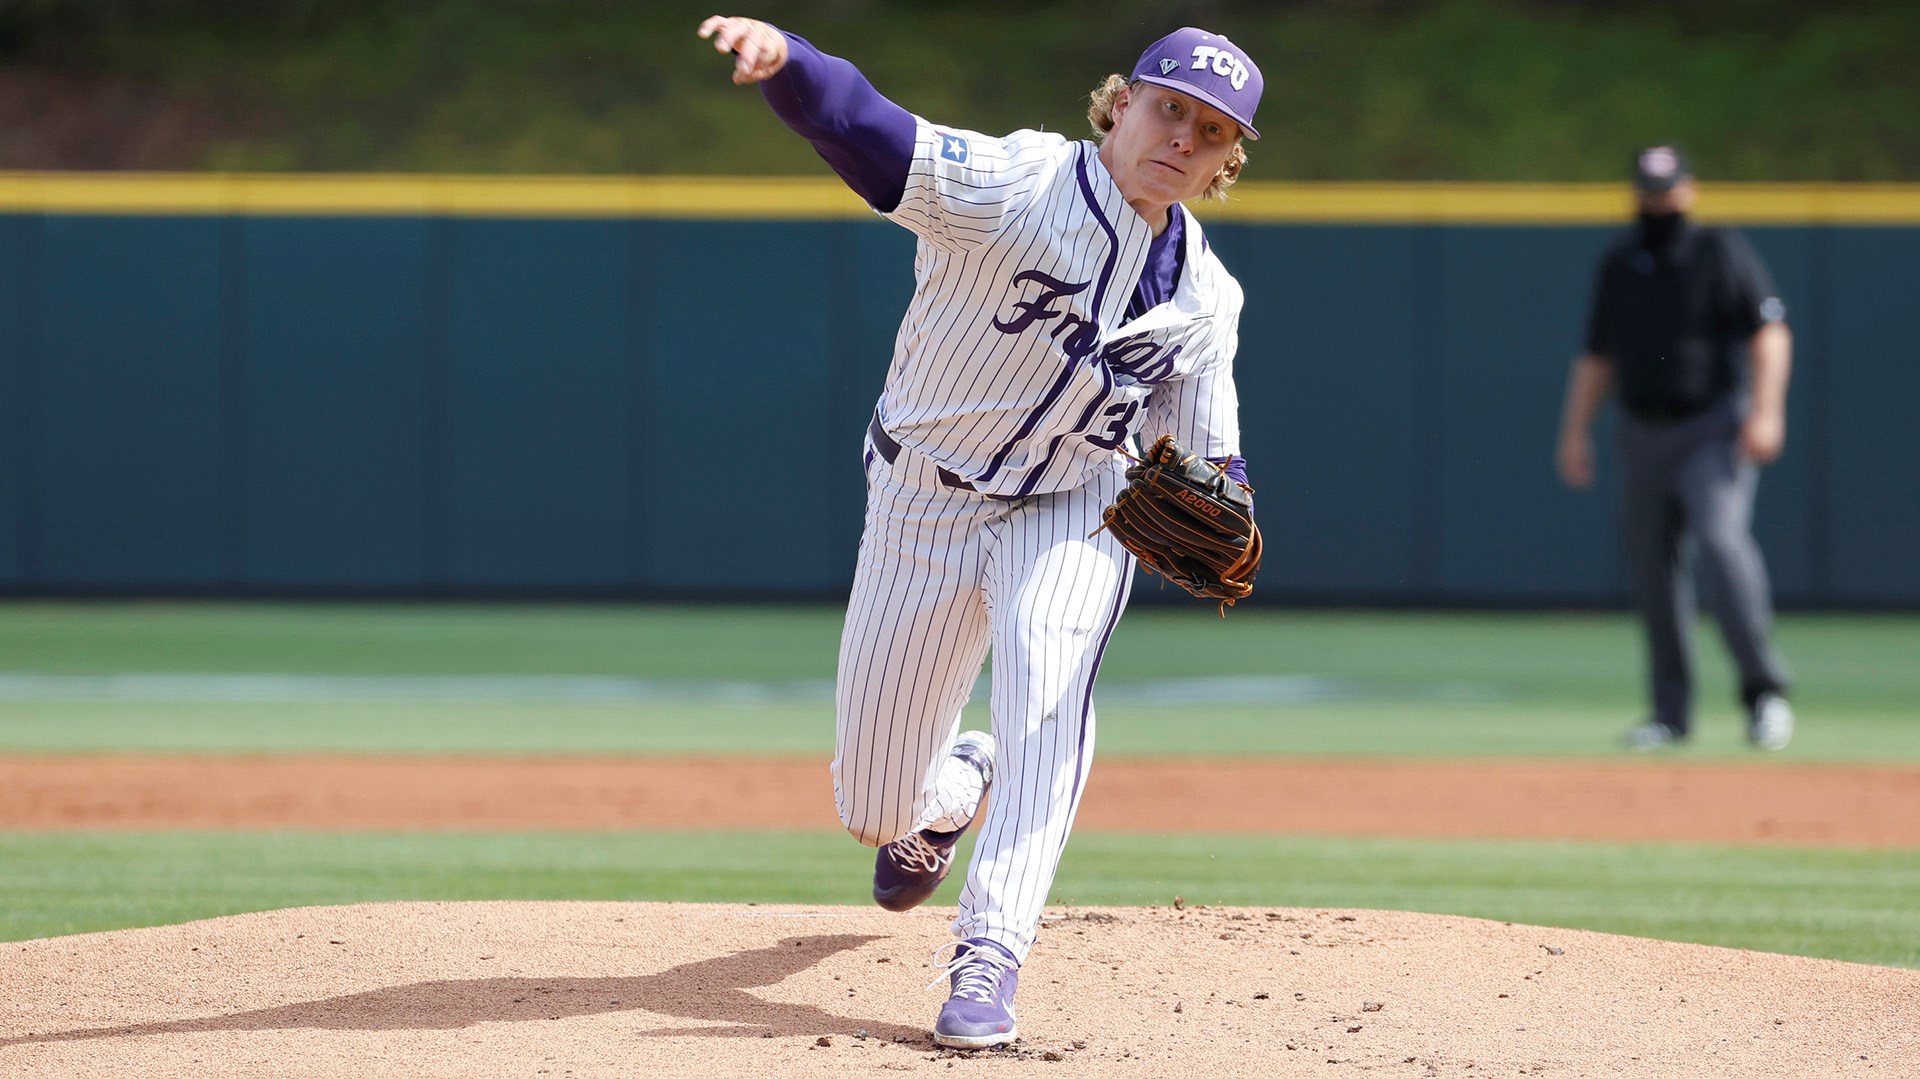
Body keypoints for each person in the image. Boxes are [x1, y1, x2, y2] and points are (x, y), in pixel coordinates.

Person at [697, 15, 1262, 1049]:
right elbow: (870, 130)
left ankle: (989, 953)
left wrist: (1227, 494)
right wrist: (789, 63)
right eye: (1170, 108)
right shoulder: (1020, 182)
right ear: (1121, 105)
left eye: (1213, 131)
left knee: (1047, 687)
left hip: (1073, 502)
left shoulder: (1205, 298)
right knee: (873, 805)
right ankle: (957, 785)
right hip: (924, 499)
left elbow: (1206, 455)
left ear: (1226, 162)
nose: (1184, 137)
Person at [1555, 145, 1795, 752]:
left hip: (1711, 426)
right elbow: (1597, 355)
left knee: (1721, 542)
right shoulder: (1621, 261)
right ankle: (1670, 713)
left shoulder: (1719, 250)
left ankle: (1764, 693)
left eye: (1666, 191)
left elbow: (1770, 332)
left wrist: (1767, 410)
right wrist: (1575, 430)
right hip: (1641, 429)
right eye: (1649, 191)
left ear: (1688, 189)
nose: (1658, 202)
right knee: (1652, 570)